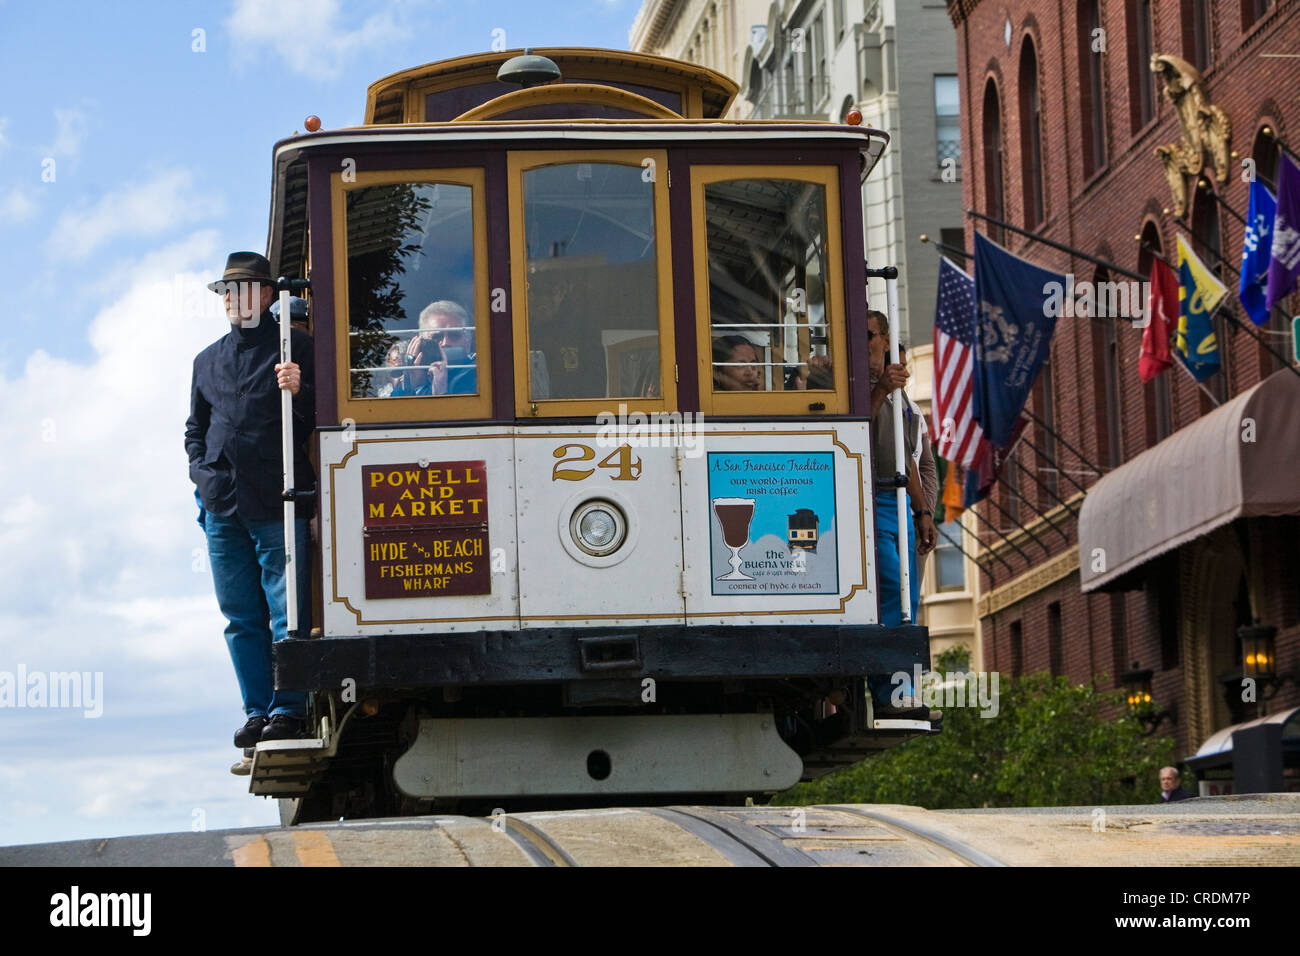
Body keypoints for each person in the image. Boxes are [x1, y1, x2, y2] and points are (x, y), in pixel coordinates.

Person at [187, 252, 315, 750]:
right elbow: (194, 429)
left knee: (287, 610)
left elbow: (318, 421)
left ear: (267, 296)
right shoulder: (206, 361)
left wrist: (300, 391)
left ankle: (288, 707)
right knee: (239, 616)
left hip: (279, 498)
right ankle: (257, 709)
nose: (234, 301)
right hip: (221, 506)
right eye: (227, 293)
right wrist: (203, 478)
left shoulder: (296, 346)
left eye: (244, 291)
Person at [869, 310, 937, 626]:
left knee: (908, 593)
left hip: (899, 502)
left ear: (885, 340)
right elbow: (852, 432)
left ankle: (901, 675)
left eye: (870, 335)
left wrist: (922, 511)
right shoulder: (855, 384)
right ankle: (887, 673)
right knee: (892, 586)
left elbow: (907, 456)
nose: (865, 341)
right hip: (871, 495)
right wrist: (880, 389)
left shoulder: (903, 397)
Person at [405, 300, 477, 396]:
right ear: (421, 344)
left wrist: (441, 394)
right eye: (436, 337)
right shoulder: (414, 373)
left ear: (468, 344)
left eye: (454, 336)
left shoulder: (479, 375)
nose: (445, 343)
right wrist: (414, 383)